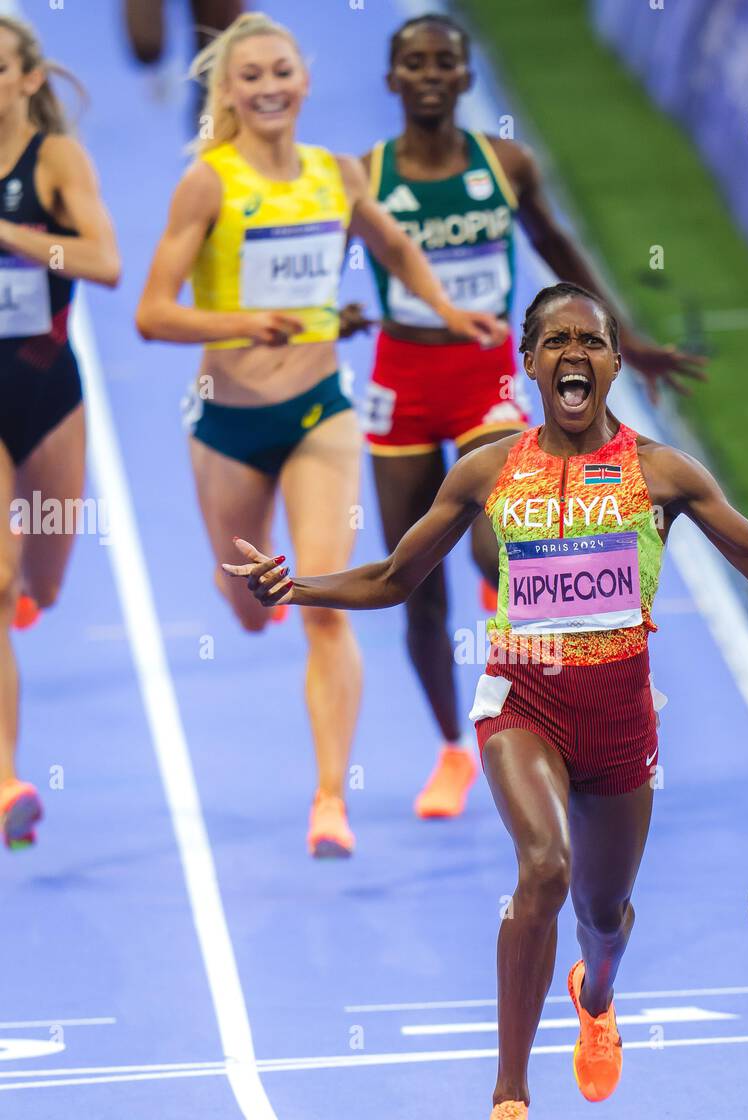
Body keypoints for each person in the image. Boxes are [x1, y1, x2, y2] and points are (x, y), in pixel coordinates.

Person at [224, 282, 748, 1120]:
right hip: (521, 705)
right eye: (555, 340)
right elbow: (395, 578)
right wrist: (297, 589)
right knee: (544, 870)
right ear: (530, 363)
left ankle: (595, 994)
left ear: (610, 362)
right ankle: (508, 1107)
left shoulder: (665, 473)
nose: (574, 353)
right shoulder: (486, 470)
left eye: (592, 341)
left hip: (619, 726)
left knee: (601, 917)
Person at [135, 12, 504, 858]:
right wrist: (241, 323)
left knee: (318, 603)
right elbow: (154, 313)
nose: (267, 88)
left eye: (281, 73)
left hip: (319, 418)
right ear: (226, 92)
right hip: (228, 426)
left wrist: (446, 310)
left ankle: (329, 798)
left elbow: (397, 246)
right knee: (251, 608)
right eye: (250, 77)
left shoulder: (337, 175)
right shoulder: (208, 184)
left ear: (304, 82)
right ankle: (248, 603)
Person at [343, 13, 707, 821]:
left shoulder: (505, 164)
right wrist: (324, 318)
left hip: (484, 382)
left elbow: (559, 250)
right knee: (414, 583)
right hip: (401, 380)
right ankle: (449, 749)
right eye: (415, 63)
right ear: (392, 80)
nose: (431, 74)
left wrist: (629, 342)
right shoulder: (363, 176)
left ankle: (547, 683)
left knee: (499, 538)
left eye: (445, 62)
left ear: (466, 77)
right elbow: (320, 265)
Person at [0, 16, 121, 850]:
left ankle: (30, 592)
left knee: (43, 580)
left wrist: (8, 235)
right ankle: (6, 779)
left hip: (46, 392)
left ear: (26, 79)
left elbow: (103, 263)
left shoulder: (53, 163)